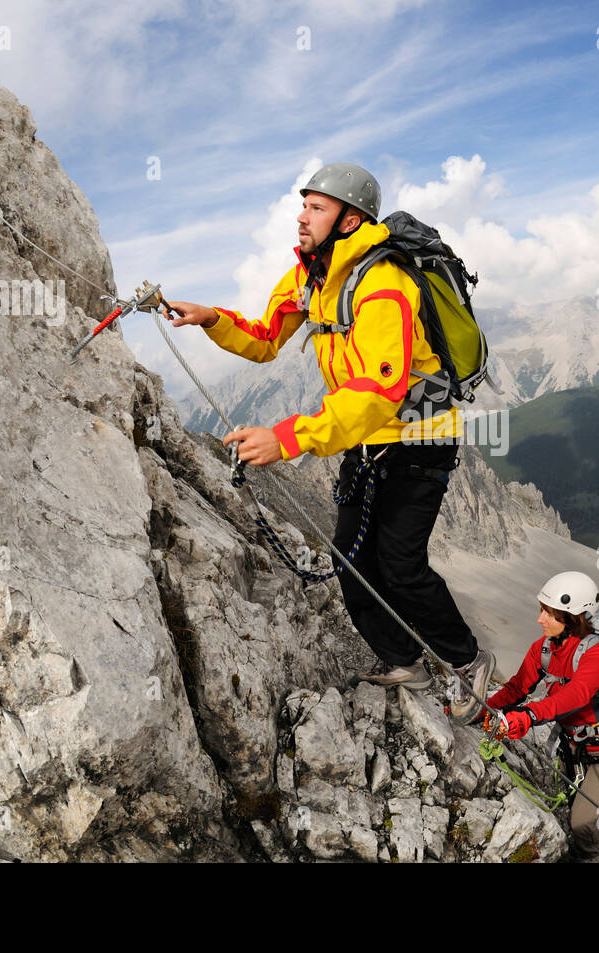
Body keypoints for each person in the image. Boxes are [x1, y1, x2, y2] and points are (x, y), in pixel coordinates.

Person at [163, 162, 494, 722]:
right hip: (363, 444)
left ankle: (468, 662)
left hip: (418, 442)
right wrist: (211, 318)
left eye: (316, 207)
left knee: (399, 562)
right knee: (351, 559)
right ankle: (403, 658)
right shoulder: (312, 277)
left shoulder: (384, 284)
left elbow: (376, 394)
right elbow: (267, 338)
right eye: (304, 205)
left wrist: (287, 438)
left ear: (349, 219)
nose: (301, 216)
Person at [484, 571, 599, 858]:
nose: (539, 619)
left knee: (583, 821)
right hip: (572, 744)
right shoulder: (543, 649)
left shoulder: (598, 653)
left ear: (571, 618)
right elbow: (518, 687)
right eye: (541, 610)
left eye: (548, 613)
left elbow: (576, 695)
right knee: (569, 800)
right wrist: (486, 707)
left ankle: (589, 853)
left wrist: (528, 716)